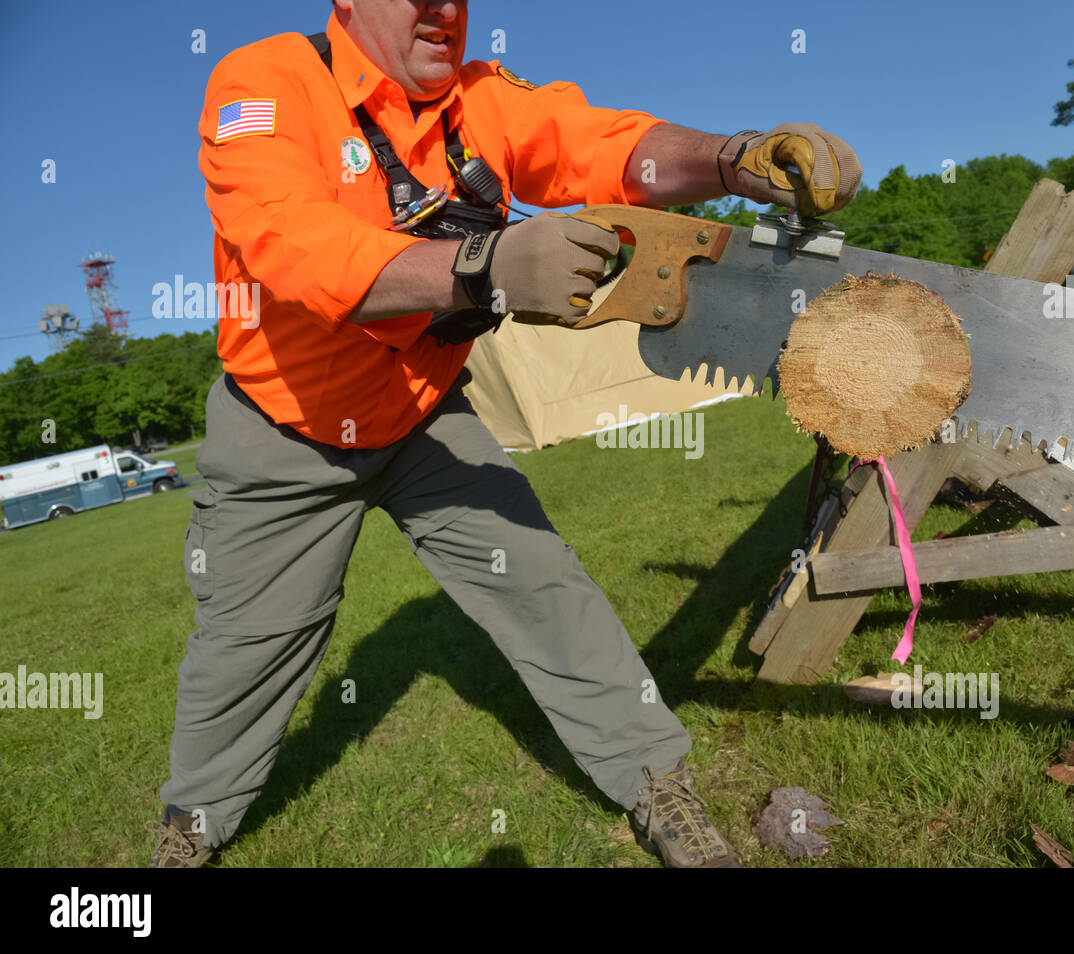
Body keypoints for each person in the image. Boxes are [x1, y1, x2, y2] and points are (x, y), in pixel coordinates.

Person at [151, 0, 861, 869]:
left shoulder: (477, 99)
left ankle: (652, 779)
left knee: (541, 584)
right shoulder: (265, 83)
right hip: (283, 429)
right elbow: (291, 243)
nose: (440, 7)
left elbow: (603, 144)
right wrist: (480, 266)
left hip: (421, 412)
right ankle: (192, 822)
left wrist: (732, 158)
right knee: (248, 646)